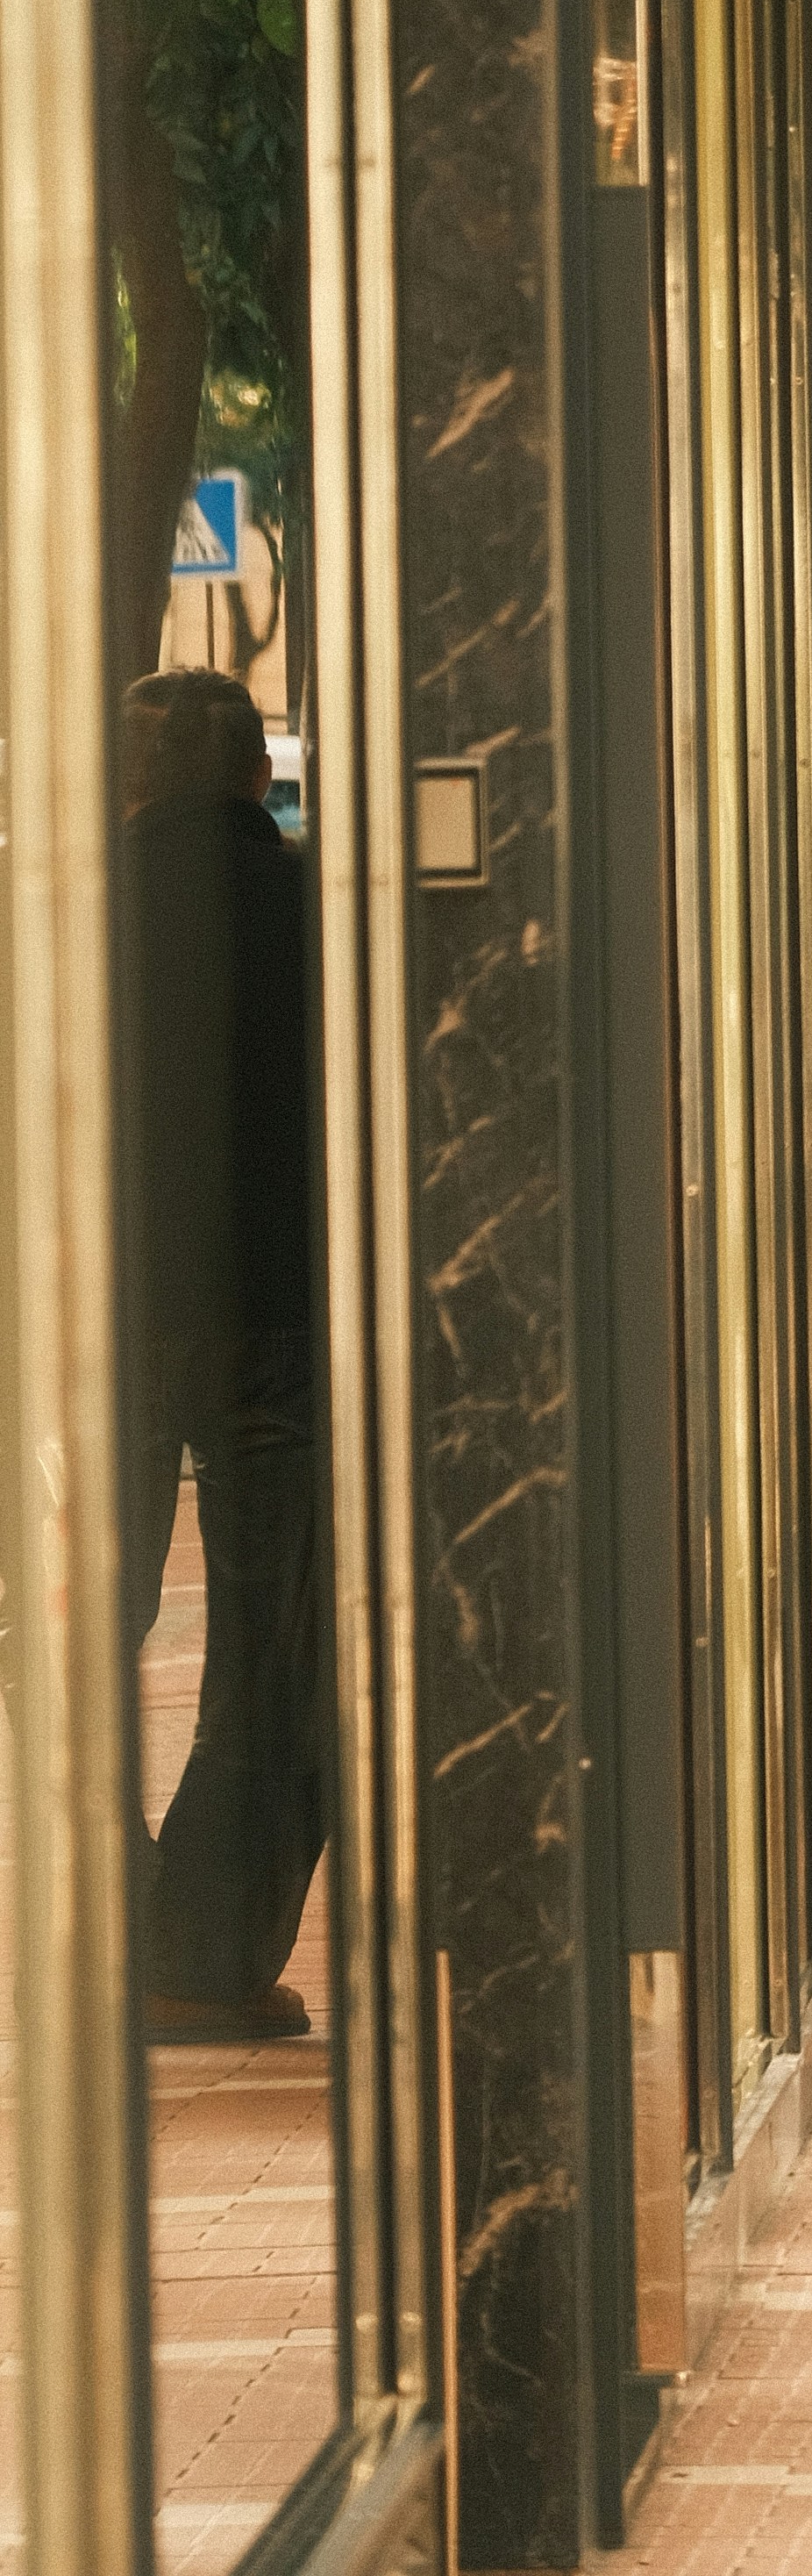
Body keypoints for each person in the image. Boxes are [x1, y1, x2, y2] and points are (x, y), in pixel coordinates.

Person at [118, 669, 329, 2046]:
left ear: (135, 784)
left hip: (100, 1328)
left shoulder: (62, 918)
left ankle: (105, 1916)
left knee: (72, 1635)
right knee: (268, 1645)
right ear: (258, 778)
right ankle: (200, 1955)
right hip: (273, 1323)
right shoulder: (315, 914)